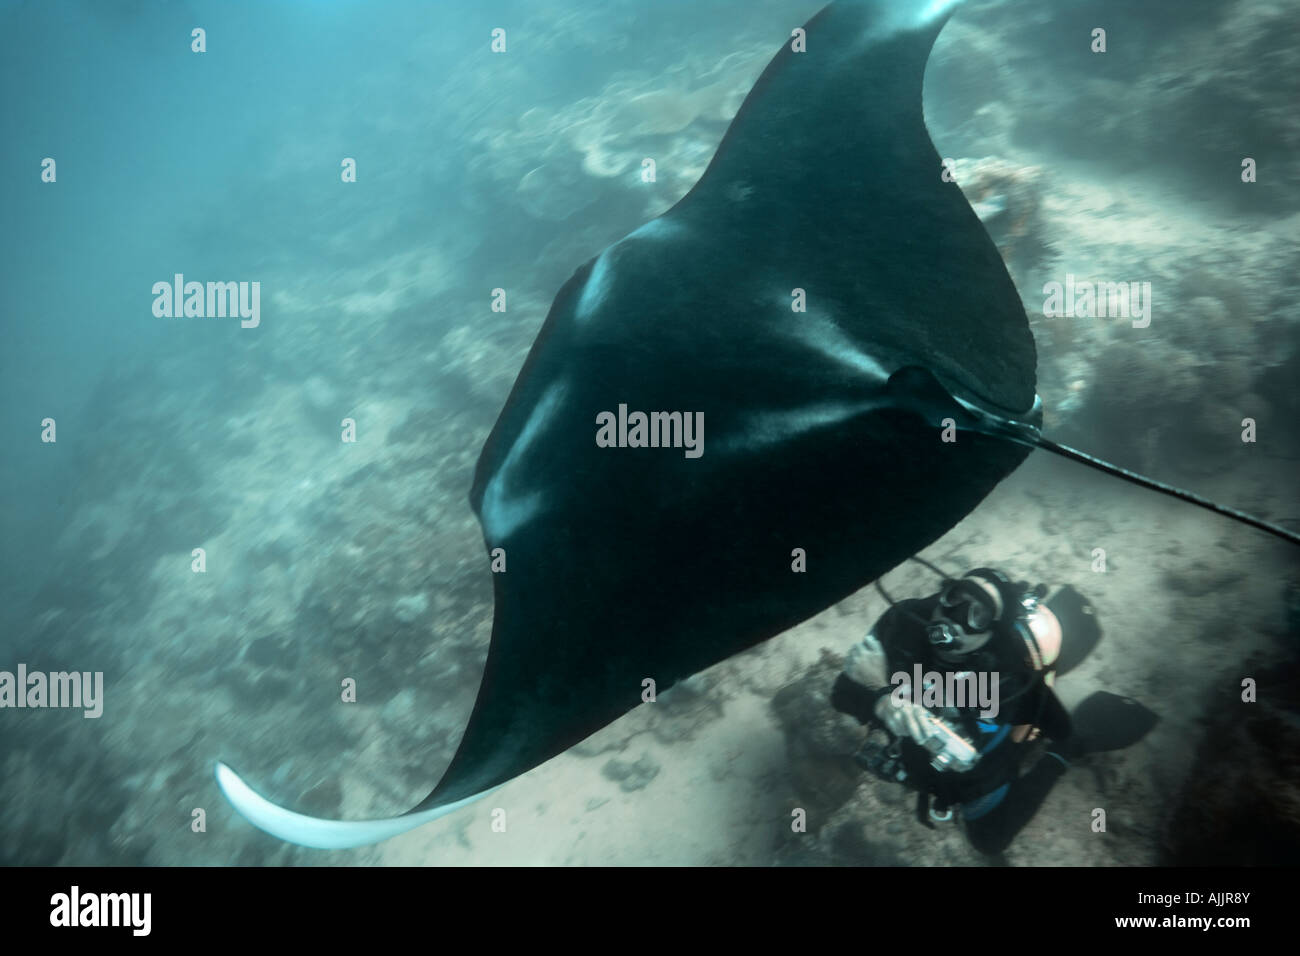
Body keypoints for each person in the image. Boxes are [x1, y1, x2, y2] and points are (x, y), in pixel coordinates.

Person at [831, 565, 1113, 855]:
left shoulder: (1007, 677)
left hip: (982, 745)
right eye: (955, 598)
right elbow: (841, 694)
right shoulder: (904, 622)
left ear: (993, 634)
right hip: (918, 739)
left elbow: (995, 761)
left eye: (979, 615)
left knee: (989, 839)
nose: (955, 617)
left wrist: (945, 754)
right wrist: (883, 699)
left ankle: (1062, 756)